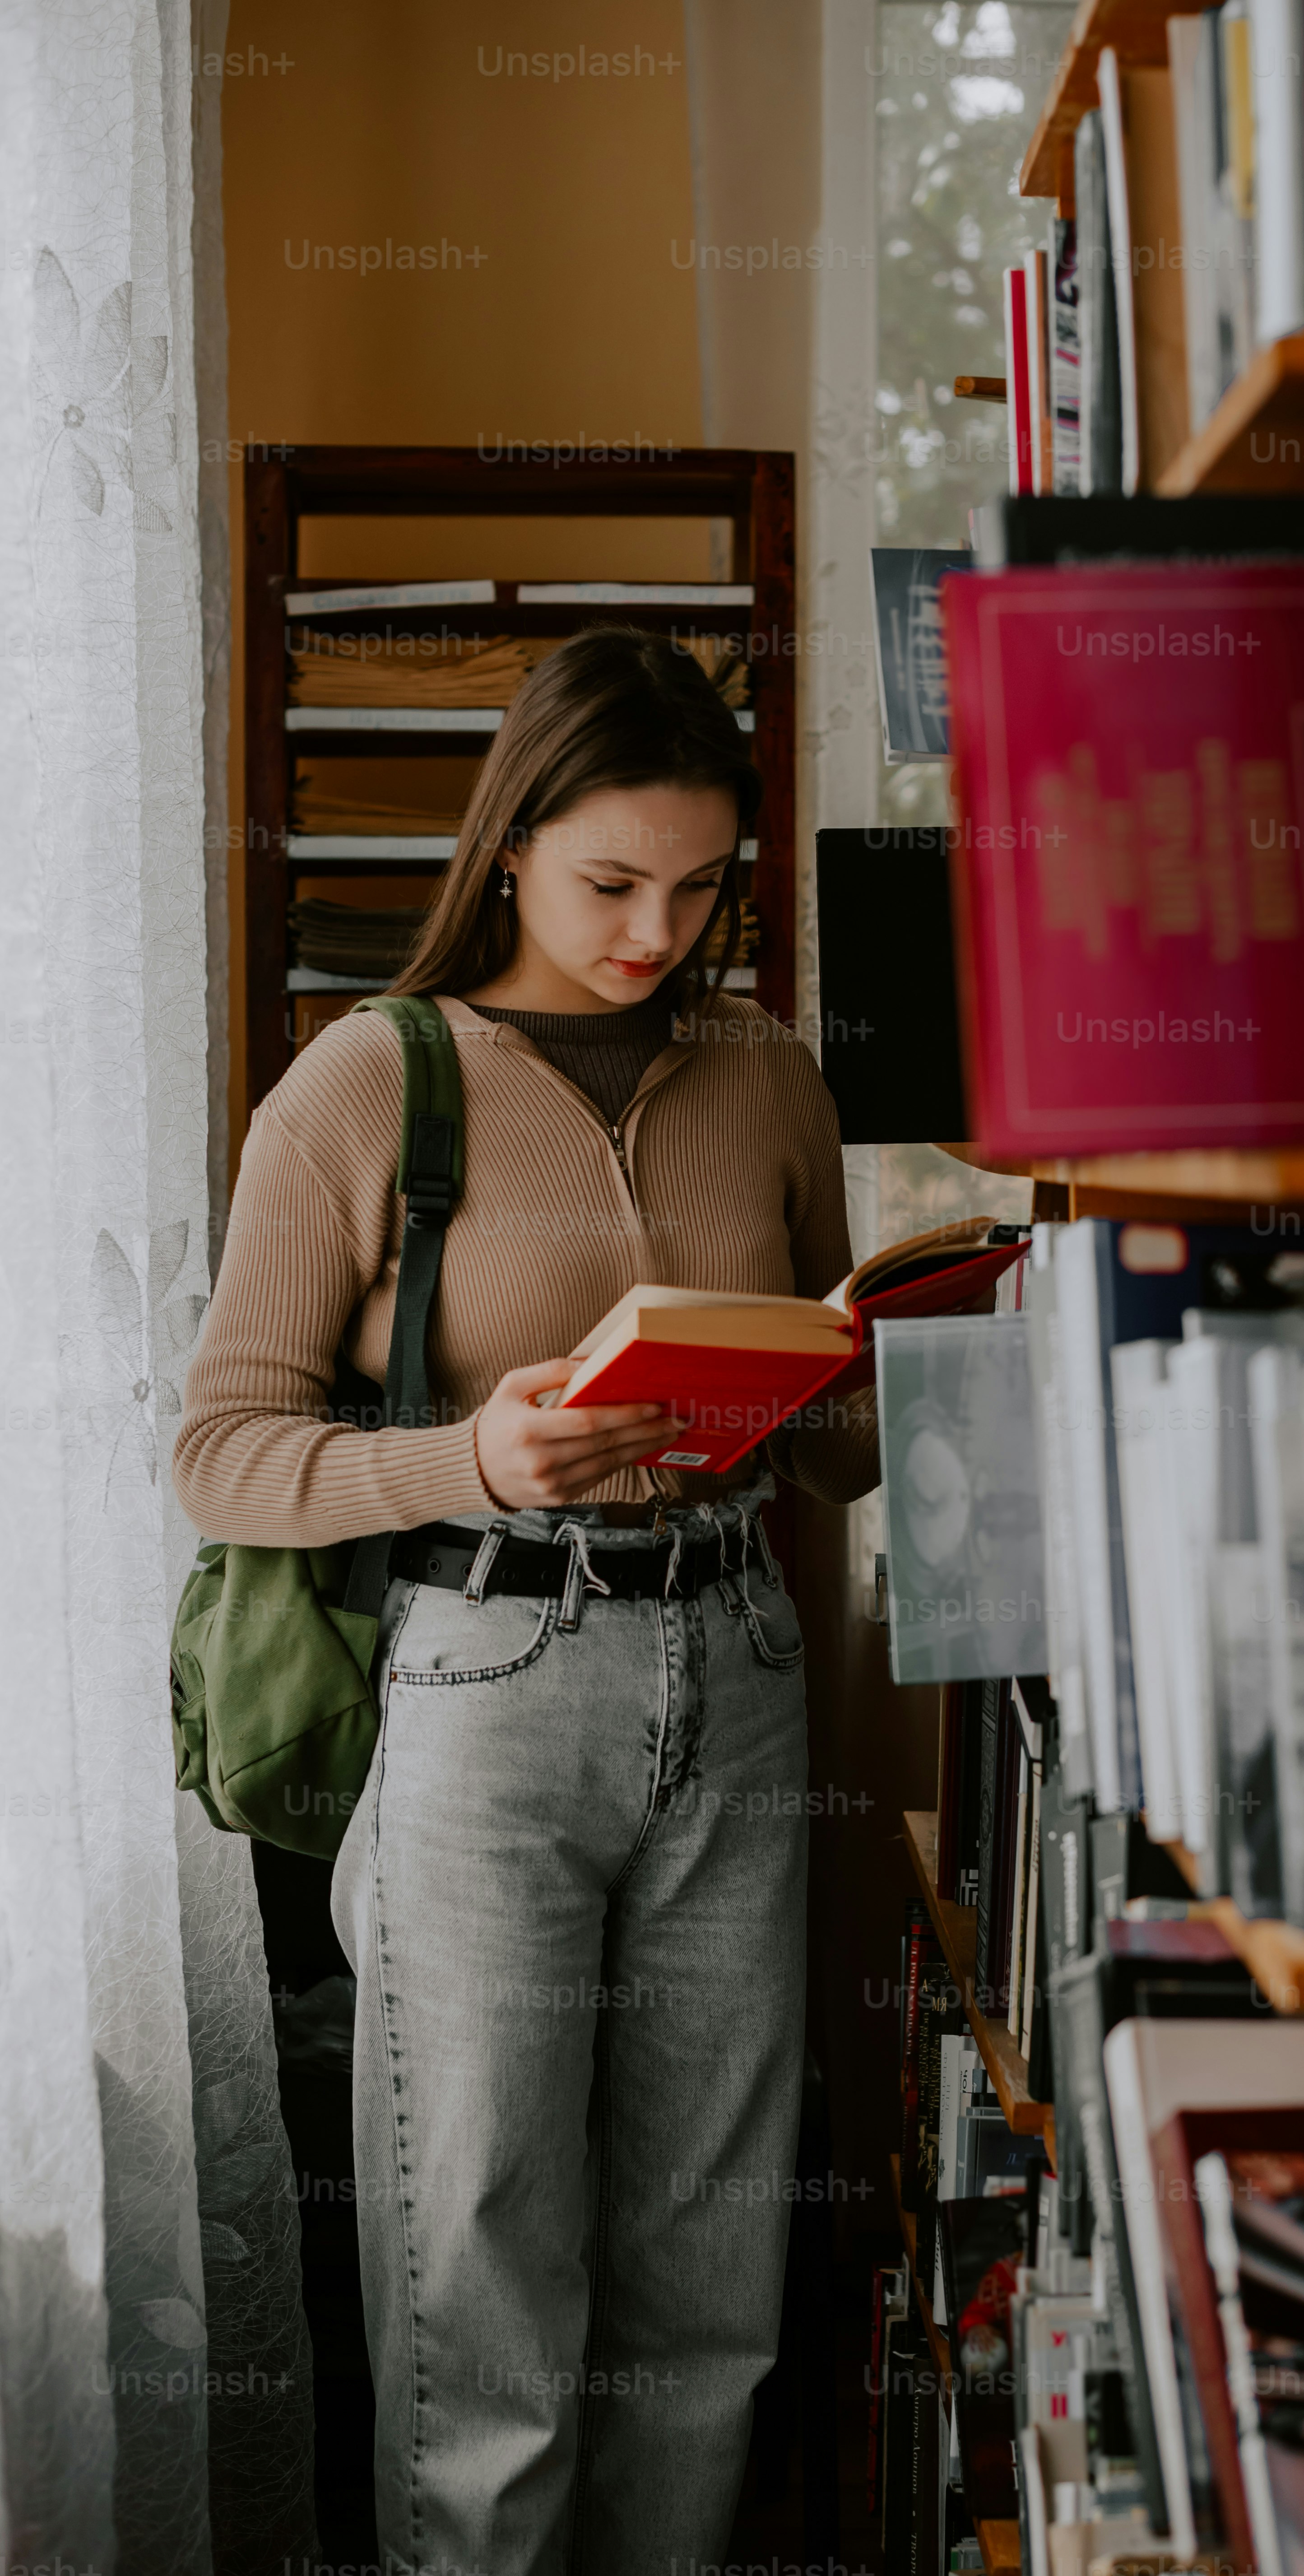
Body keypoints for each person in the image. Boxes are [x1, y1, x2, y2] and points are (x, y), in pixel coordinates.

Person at [173, 626, 878, 2576]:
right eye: (608, 884)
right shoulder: (364, 1082)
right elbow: (224, 1449)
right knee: (481, 2259)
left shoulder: (765, 1073)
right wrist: (468, 1459)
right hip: (483, 1674)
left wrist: (860, 1370)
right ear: (510, 853)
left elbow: (846, 1448)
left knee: (708, 2255)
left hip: (737, 1663)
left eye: (699, 884)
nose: (657, 929)